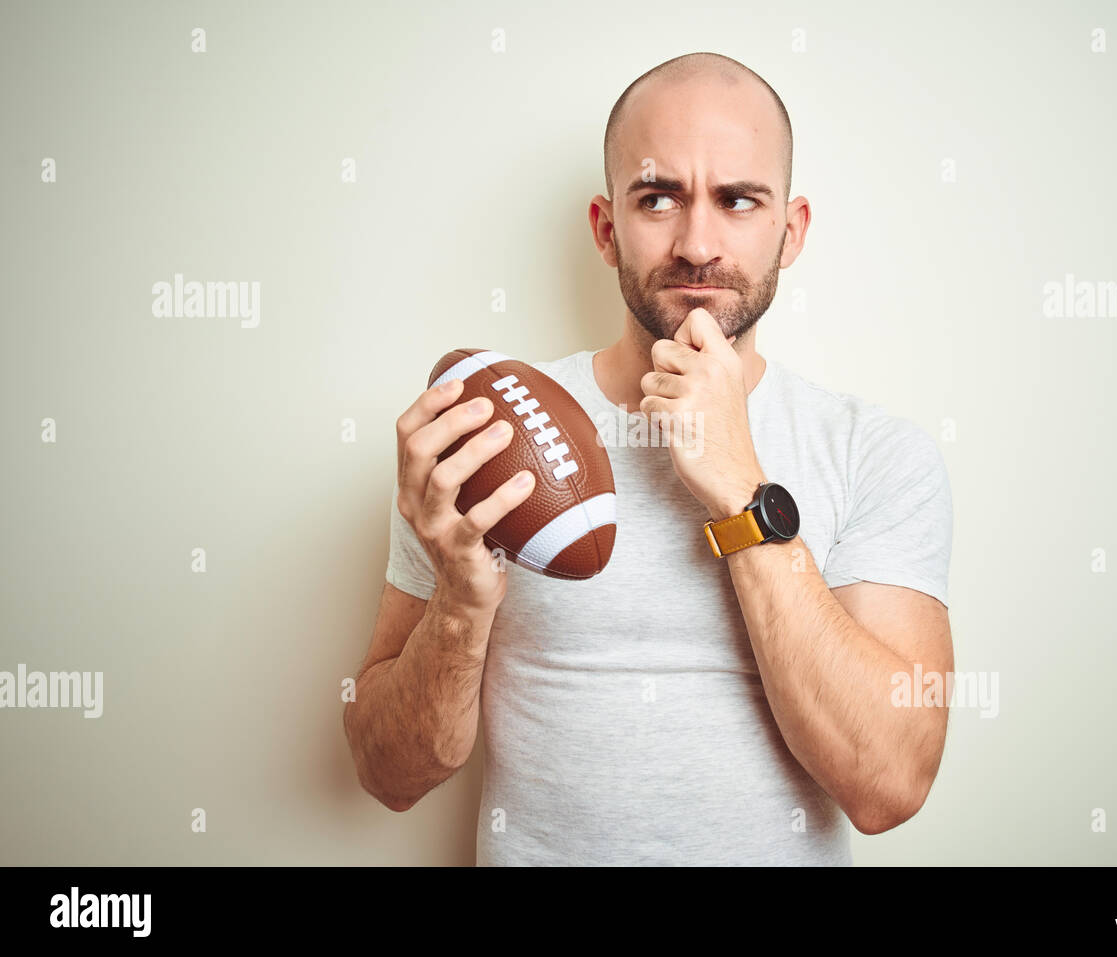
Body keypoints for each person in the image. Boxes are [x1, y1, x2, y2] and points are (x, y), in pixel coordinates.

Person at [343, 51, 954, 865]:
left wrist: (740, 486)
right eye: (658, 197)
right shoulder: (484, 436)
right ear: (606, 228)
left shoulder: (876, 451)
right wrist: (460, 598)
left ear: (791, 229)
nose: (698, 243)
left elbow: (890, 784)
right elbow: (388, 773)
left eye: (739, 200)